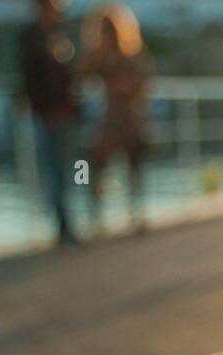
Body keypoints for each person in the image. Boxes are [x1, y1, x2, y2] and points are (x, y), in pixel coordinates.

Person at [81, 5, 150, 231]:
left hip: (127, 118)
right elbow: (81, 76)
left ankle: (135, 215)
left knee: (133, 168)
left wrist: (120, 88)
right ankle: (99, 219)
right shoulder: (99, 57)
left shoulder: (131, 56)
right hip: (109, 120)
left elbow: (142, 84)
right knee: (100, 169)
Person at [19, 0, 80, 245]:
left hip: (65, 113)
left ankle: (67, 223)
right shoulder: (30, 37)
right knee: (54, 169)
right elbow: (29, 76)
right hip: (47, 114)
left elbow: (68, 75)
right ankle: (63, 225)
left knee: (64, 169)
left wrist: (72, 105)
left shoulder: (58, 34)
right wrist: (44, 108)